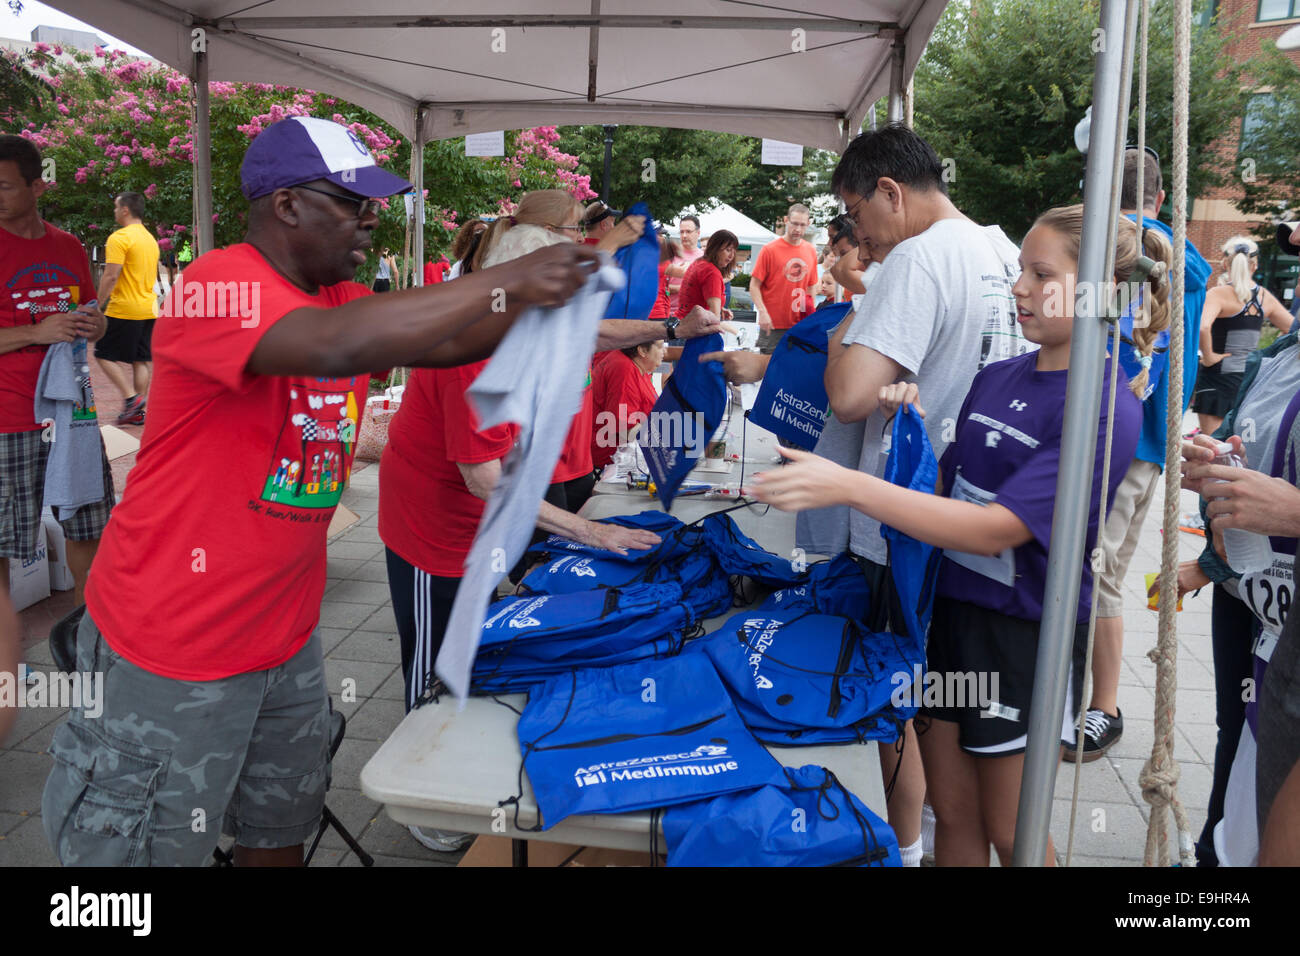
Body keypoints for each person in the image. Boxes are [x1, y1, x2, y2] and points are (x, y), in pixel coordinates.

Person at [41, 116, 601, 868]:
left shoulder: (338, 294)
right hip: (176, 641)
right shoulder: (221, 282)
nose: (372, 216)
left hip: (283, 634)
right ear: (286, 207)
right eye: (352, 201)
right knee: (139, 859)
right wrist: (505, 278)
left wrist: (538, 302)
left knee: (280, 829)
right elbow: (340, 343)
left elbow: (442, 341)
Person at [752, 203, 1152, 866]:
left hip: (1022, 641)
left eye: (1040, 273)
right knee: (954, 815)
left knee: (1011, 832)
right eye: (1020, 268)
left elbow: (996, 530)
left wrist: (850, 486)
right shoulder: (994, 378)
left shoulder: (1106, 405)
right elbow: (937, 493)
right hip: (944, 619)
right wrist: (902, 431)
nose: (1019, 286)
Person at [803, 124, 1031, 864]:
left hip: (902, 523)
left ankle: (901, 848)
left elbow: (848, 396)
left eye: (857, 214)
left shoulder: (919, 258)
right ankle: (930, 842)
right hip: (970, 521)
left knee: (895, 703)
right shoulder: (1004, 251)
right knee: (953, 715)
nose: (859, 240)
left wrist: (846, 324)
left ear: (890, 192)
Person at [1072, 148, 1212, 763]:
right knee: (1093, 570)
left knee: (1098, 574)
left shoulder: (1131, 246)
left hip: (1125, 438)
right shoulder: (1174, 251)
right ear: (1158, 197)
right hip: (1135, 438)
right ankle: (1084, 696)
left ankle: (1105, 707)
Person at [0, 134, 113, 608]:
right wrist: (34, 333)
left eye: (4, 186)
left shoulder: (67, 248)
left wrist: (96, 323)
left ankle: (88, 646)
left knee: (90, 529)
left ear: (37, 186)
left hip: (73, 417)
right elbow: (43, 330)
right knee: (4, 549)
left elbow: (88, 320)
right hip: (7, 422)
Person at [1193, 236, 1293, 436]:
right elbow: (1292, 329)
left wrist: (1210, 356)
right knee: (1238, 448)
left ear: (1224, 263)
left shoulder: (1218, 293)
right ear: (1255, 265)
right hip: (1248, 378)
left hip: (1217, 378)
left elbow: (1203, 327)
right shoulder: (1264, 296)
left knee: (1213, 446)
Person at [95, 191, 159, 426]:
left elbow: (111, 275)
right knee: (141, 360)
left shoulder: (119, 238)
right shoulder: (149, 239)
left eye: (115, 207)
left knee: (102, 354)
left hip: (124, 308)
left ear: (125, 210)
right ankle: (138, 411)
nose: (114, 211)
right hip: (149, 308)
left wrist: (96, 304)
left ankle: (131, 399)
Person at [750, 203, 817, 353]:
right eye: (794, 224)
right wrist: (762, 312)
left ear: (808, 224)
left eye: (802, 225)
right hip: (773, 324)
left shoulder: (810, 250)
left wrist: (810, 316)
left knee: (795, 371)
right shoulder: (769, 249)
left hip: (799, 324)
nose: (798, 229)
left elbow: (811, 287)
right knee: (767, 369)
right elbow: (754, 285)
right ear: (786, 220)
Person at [590, 339, 665, 471]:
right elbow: (623, 428)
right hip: (614, 456)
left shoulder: (637, 366)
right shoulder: (624, 368)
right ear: (641, 350)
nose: (664, 352)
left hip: (632, 449)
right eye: (659, 347)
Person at [676, 230, 738, 320]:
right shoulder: (711, 272)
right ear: (715, 249)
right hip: (695, 328)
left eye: (734, 251)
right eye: (728, 250)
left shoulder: (700, 263)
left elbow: (697, 299)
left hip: (684, 322)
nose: (732, 255)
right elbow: (714, 318)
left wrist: (720, 309)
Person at [665, 214, 704, 316]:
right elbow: (659, 286)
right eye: (682, 232)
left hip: (694, 315)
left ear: (698, 233)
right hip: (668, 313)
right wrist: (681, 288)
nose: (684, 235)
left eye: (688, 231)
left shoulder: (705, 258)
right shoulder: (669, 254)